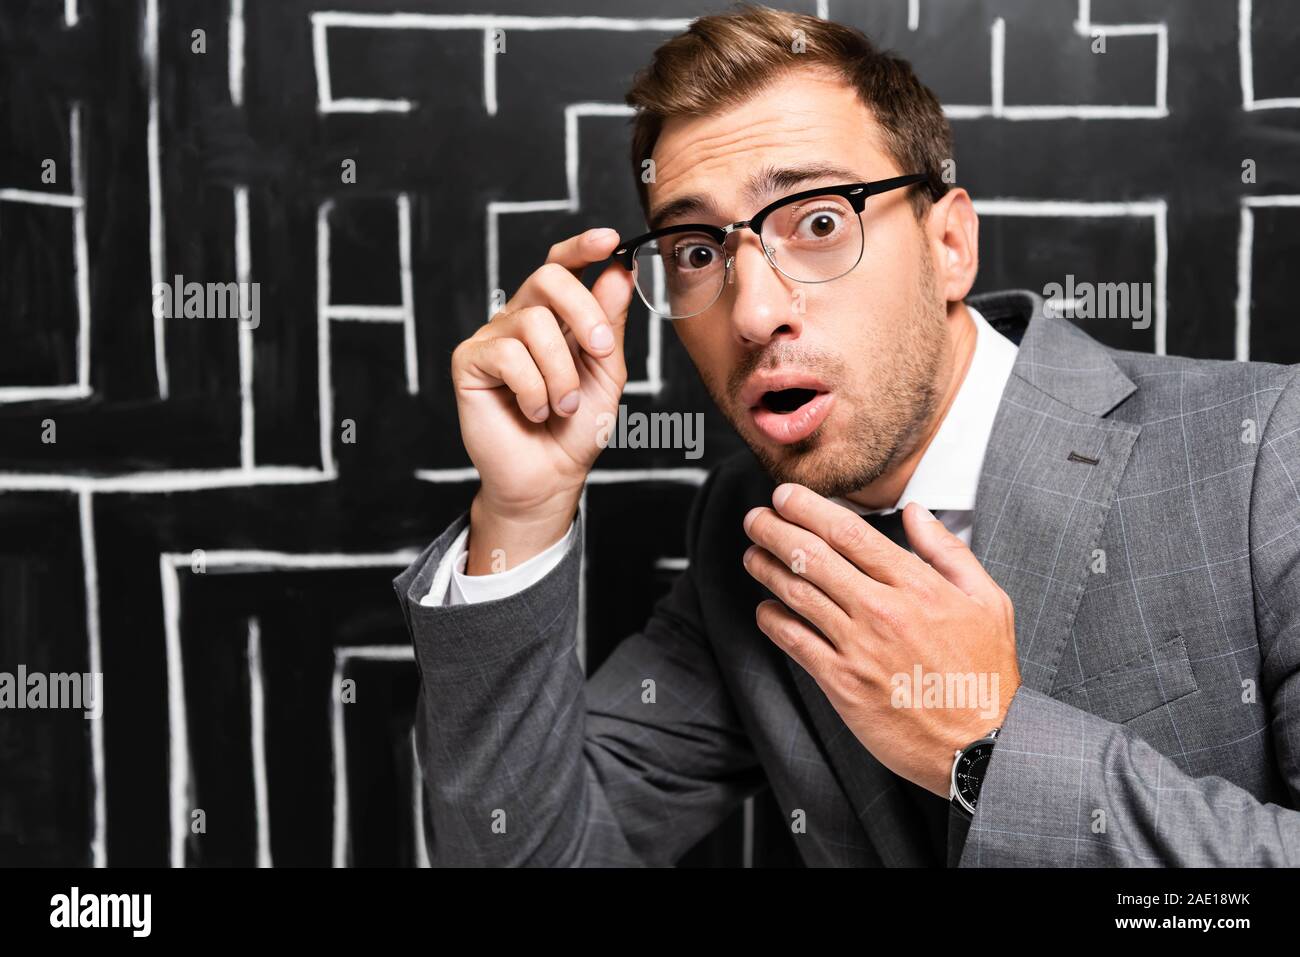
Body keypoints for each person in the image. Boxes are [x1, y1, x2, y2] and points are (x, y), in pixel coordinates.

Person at [393, 4, 1300, 866]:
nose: (752, 312)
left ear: (949, 245)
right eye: (698, 252)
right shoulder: (744, 536)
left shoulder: (1266, 454)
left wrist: (987, 746)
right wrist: (521, 509)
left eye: (819, 222)